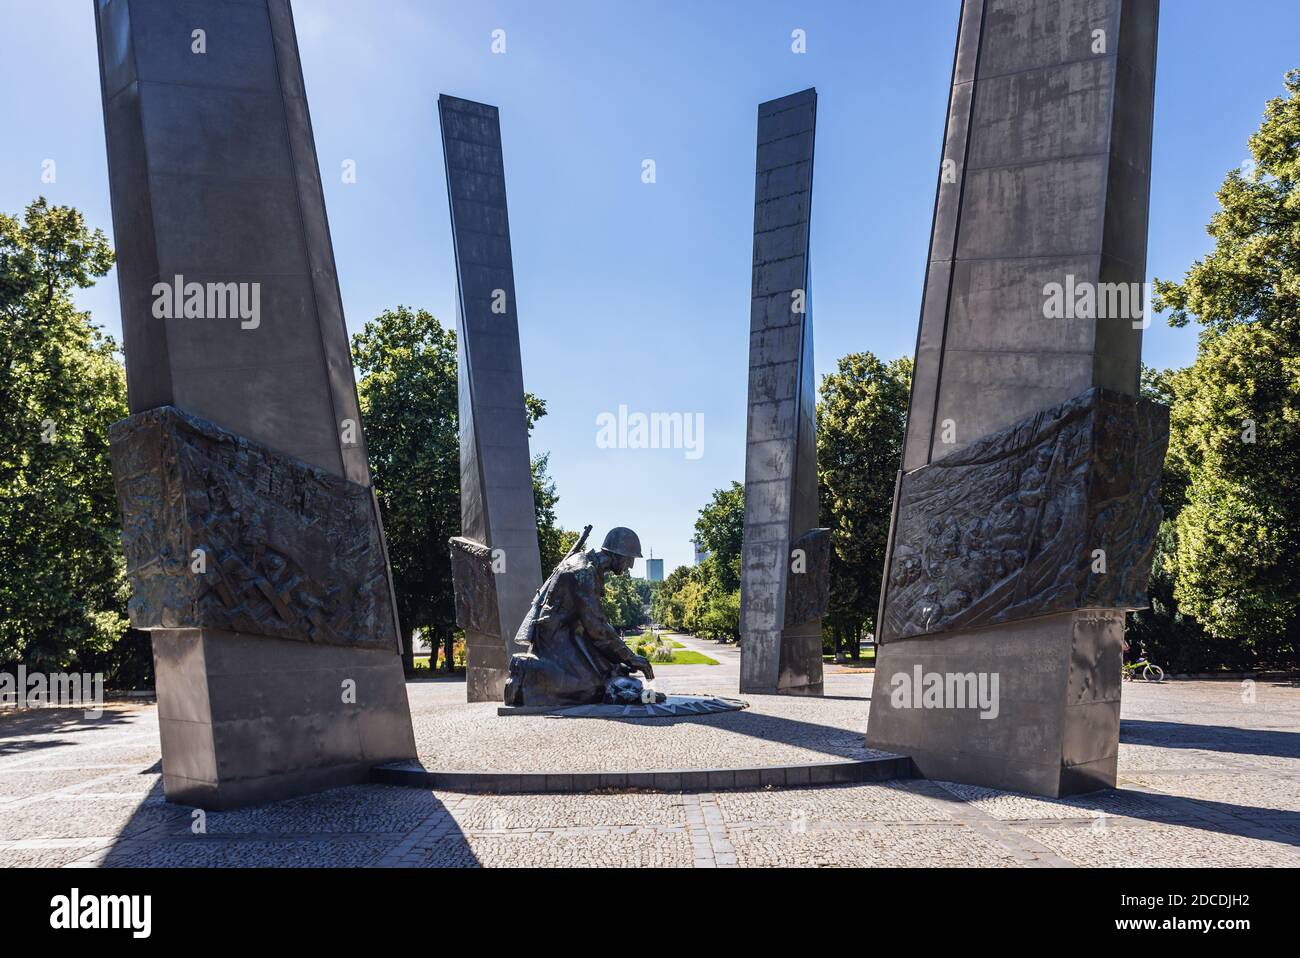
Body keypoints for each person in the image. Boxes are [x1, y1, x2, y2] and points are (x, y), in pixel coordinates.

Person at [504, 527, 661, 707]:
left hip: (573, 632)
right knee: (592, 687)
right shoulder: (584, 571)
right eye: (630, 559)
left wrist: (616, 661)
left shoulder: (590, 566)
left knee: (610, 674)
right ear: (618, 555)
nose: (630, 566)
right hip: (556, 635)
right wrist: (630, 657)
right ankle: (525, 670)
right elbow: (597, 627)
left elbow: (591, 624)